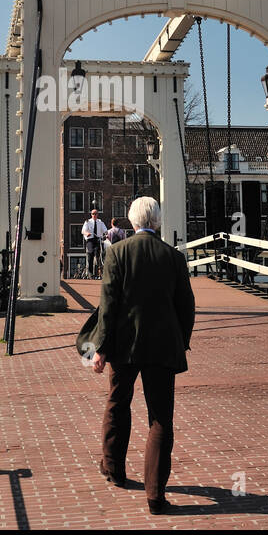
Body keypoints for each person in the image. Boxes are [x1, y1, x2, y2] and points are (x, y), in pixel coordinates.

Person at [80, 196, 195, 515]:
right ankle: (155, 494)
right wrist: (180, 341)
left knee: (118, 404)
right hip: (162, 347)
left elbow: (109, 307)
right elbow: (186, 306)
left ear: (132, 222)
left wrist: (100, 348)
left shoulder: (116, 252)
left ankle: (114, 470)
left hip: (124, 346)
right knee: (160, 419)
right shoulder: (173, 257)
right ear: (157, 222)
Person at [81, 208, 108, 278]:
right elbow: (83, 231)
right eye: (93, 214)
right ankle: (90, 272)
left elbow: (105, 230)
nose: (94, 215)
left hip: (97, 240)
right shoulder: (87, 222)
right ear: (91, 214)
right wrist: (87, 233)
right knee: (90, 253)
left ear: (97, 214)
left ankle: (96, 272)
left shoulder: (100, 222)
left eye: (95, 214)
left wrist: (106, 234)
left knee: (97, 255)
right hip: (90, 240)